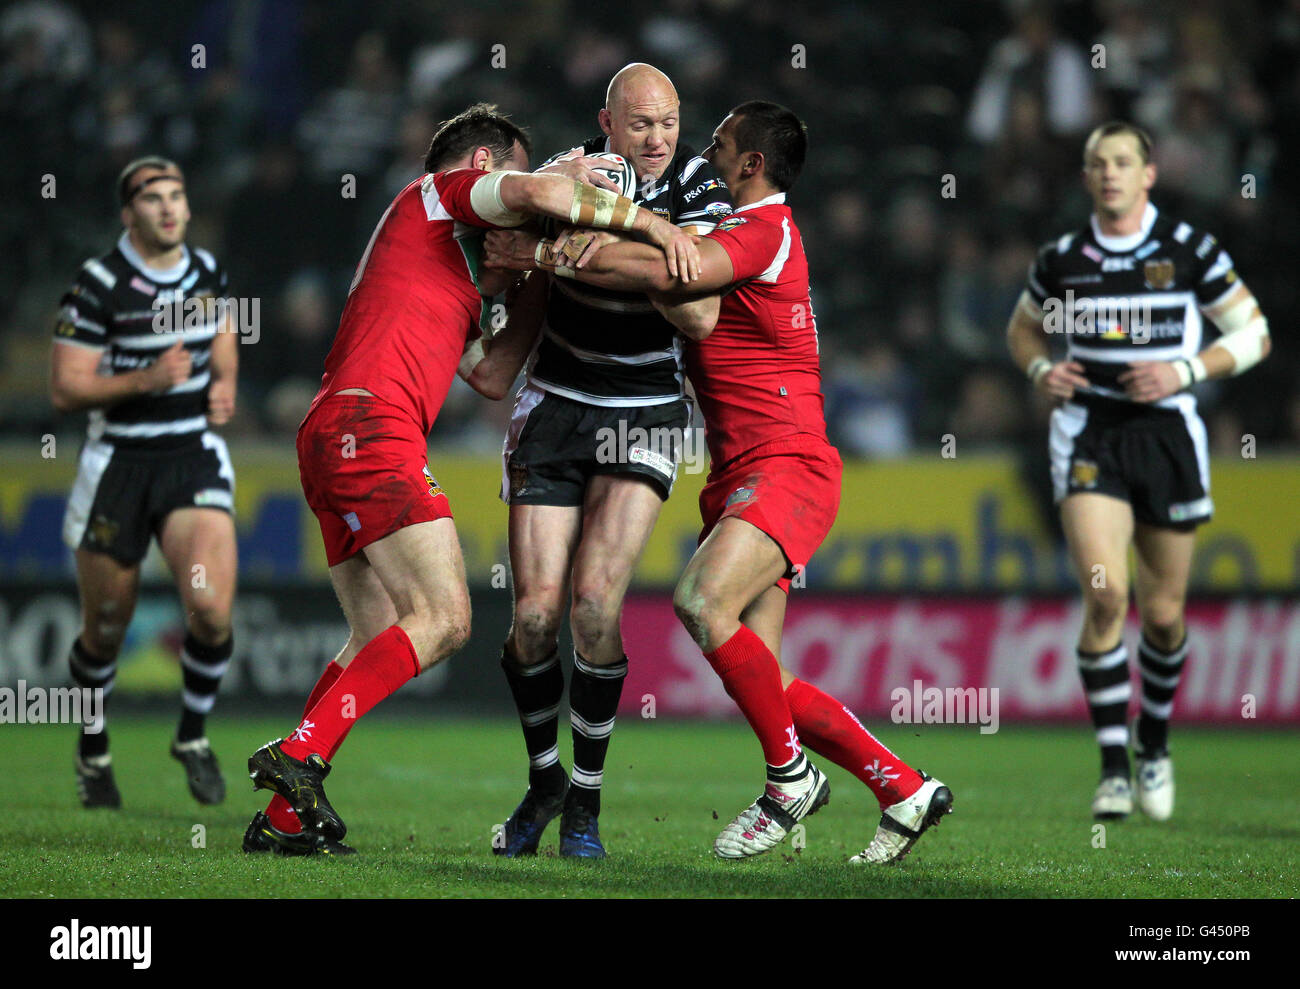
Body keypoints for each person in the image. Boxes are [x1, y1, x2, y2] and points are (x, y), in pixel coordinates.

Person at [486, 101, 952, 863]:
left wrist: (547, 253)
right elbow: (679, 283)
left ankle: (787, 783)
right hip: (744, 468)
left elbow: (685, 275)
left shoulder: (760, 229)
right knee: (759, 674)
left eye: (719, 142)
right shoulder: (741, 229)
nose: (703, 150)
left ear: (750, 165)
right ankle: (902, 786)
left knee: (699, 600)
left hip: (785, 464)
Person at [242, 103, 698, 855]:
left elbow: (490, 375)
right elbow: (533, 196)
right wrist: (640, 219)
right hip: (371, 426)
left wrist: (534, 273)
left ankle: (287, 816)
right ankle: (298, 755)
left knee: (375, 631)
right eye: (511, 172)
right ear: (486, 166)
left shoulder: (444, 260)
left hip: (331, 431)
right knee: (447, 617)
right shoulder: (440, 192)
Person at [468, 63, 733, 859]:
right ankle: (544, 778)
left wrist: (576, 250)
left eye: (670, 122)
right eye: (641, 123)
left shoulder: (699, 187)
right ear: (607, 123)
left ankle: (584, 803)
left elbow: (700, 313)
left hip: (645, 411)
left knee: (591, 605)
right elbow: (504, 253)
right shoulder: (565, 174)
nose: (658, 140)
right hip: (555, 400)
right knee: (535, 615)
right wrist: (636, 255)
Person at [1005, 121, 1271, 820]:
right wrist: (1040, 368)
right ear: (1087, 176)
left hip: (1167, 437)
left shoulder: (1188, 249)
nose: (1110, 173)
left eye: (1123, 161)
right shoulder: (1063, 257)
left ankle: (1155, 740)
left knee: (1163, 613)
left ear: (1148, 174)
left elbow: (1254, 332)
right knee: (1105, 596)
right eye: (1098, 163)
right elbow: (1022, 327)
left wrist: (1184, 368)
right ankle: (1113, 766)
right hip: (1090, 432)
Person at [51, 156, 239, 809]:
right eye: (152, 198)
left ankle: (191, 736)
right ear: (128, 214)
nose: (168, 207)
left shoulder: (207, 269)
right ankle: (93, 748)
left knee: (210, 608)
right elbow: (66, 387)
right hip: (120, 464)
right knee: (106, 625)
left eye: (177, 195)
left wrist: (224, 381)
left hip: (192, 454)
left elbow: (223, 328)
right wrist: (144, 380)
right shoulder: (97, 285)